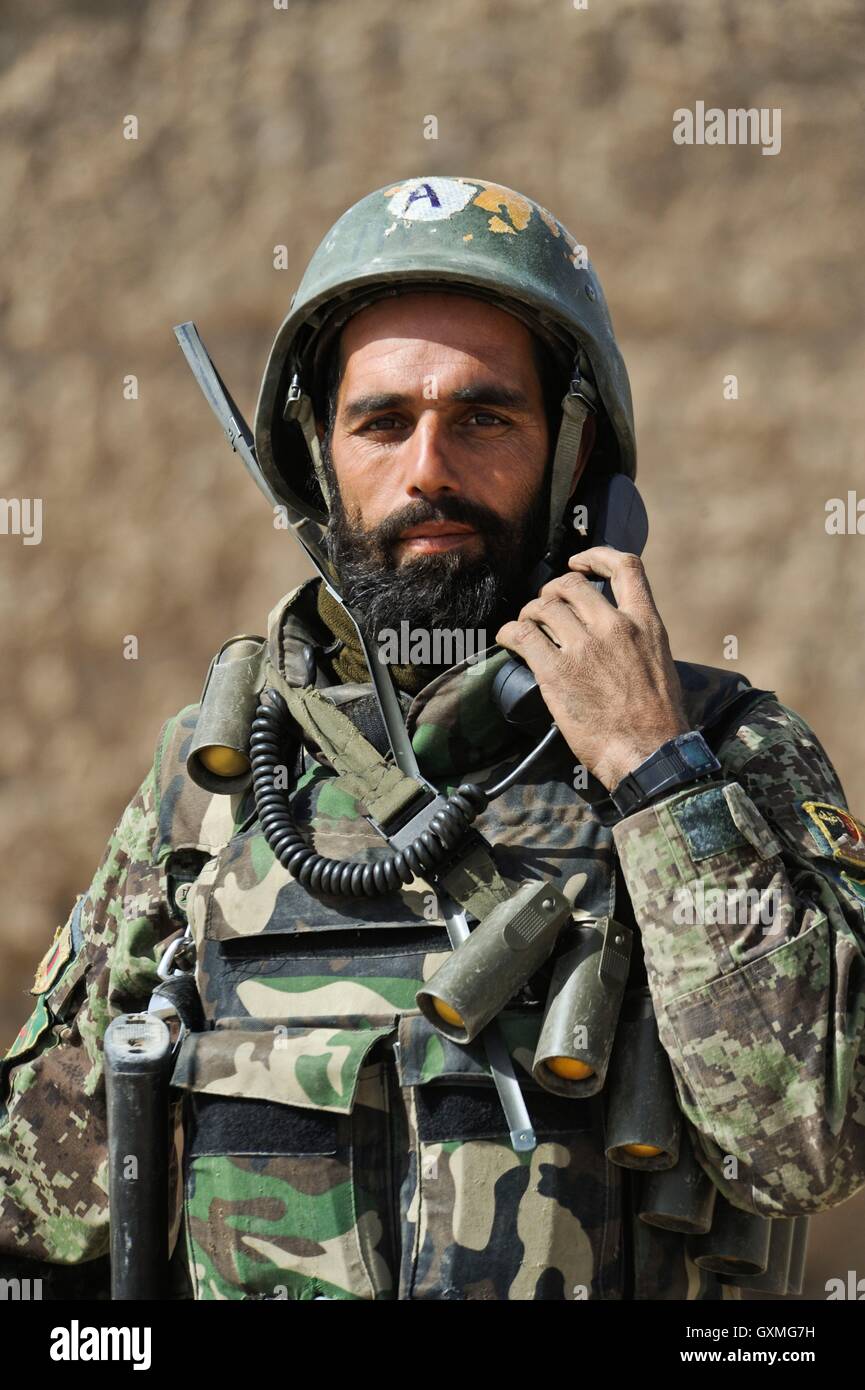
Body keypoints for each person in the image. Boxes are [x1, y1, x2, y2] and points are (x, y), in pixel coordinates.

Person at [2, 176, 864, 1301]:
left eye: (483, 417)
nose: (427, 471)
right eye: (382, 421)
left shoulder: (722, 750)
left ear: (573, 452)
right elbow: (37, 1210)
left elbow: (805, 1145)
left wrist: (654, 777)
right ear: (319, 455)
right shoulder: (210, 778)